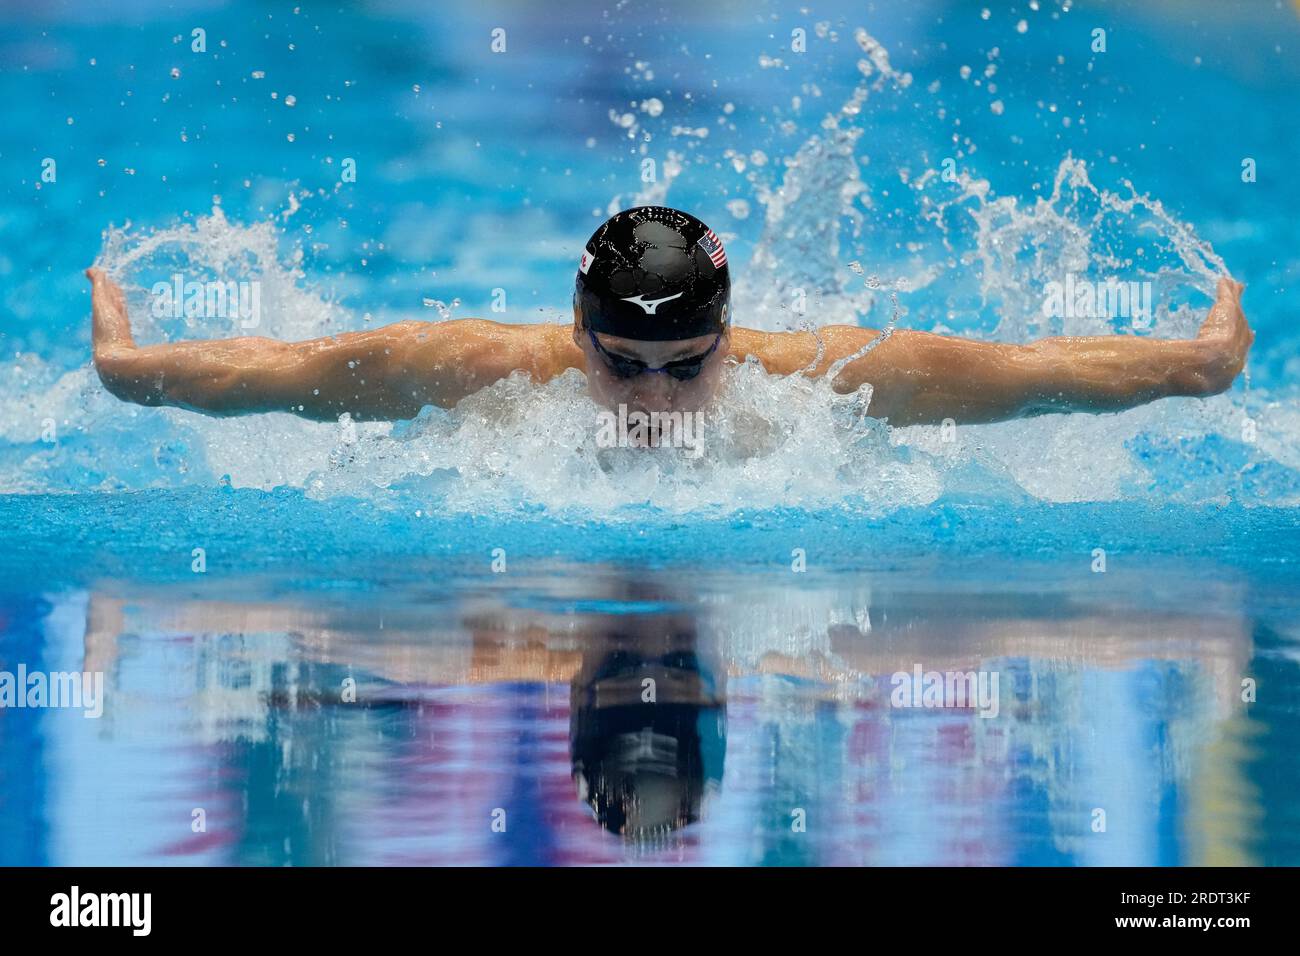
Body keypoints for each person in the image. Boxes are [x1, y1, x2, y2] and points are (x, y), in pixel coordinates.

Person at [88, 205, 1253, 429]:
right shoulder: (467, 367)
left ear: (733, 340)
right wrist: (129, 366)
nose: (653, 397)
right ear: (575, 329)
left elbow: (1030, 368)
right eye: (622, 362)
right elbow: (274, 371)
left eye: (688, 366)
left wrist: (1191, 367)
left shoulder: (827, 381)